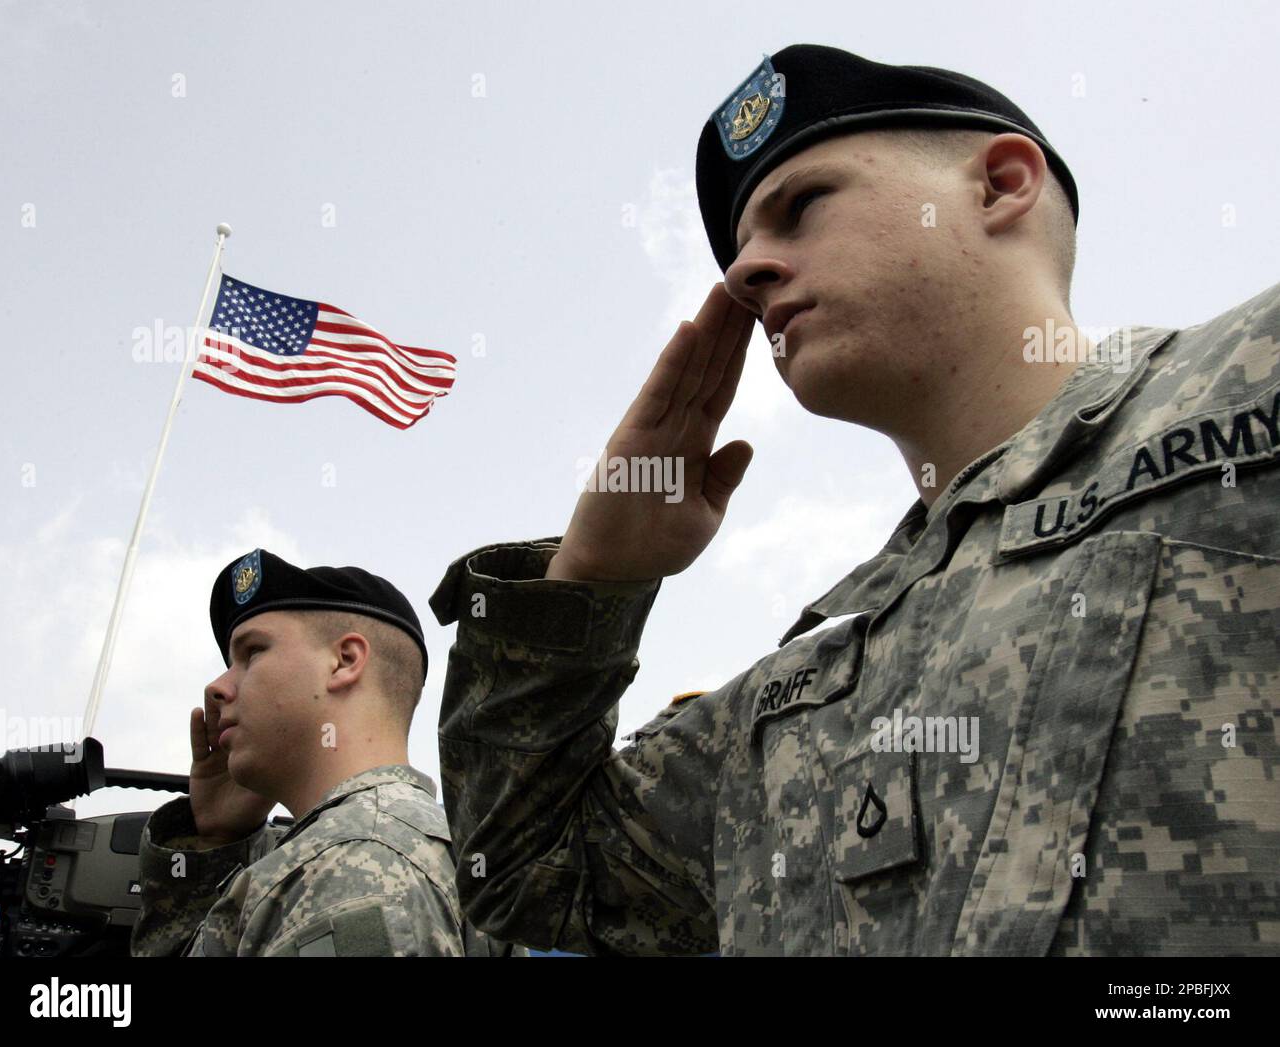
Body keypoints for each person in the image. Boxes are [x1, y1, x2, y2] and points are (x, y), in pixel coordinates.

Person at [429, 44, 1280, 956]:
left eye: (801, 207)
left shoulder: (1252, 390)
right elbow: (528, 874)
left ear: (999, 184)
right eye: (740, 247)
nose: (747, 272)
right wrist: (596, 576)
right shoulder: (798, 691)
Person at [131, 548, 518, 956]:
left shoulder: (353, 862)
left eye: (252, 652)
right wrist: (215, 839)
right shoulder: (396, 846)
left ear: (344, 661)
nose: (218, 687)